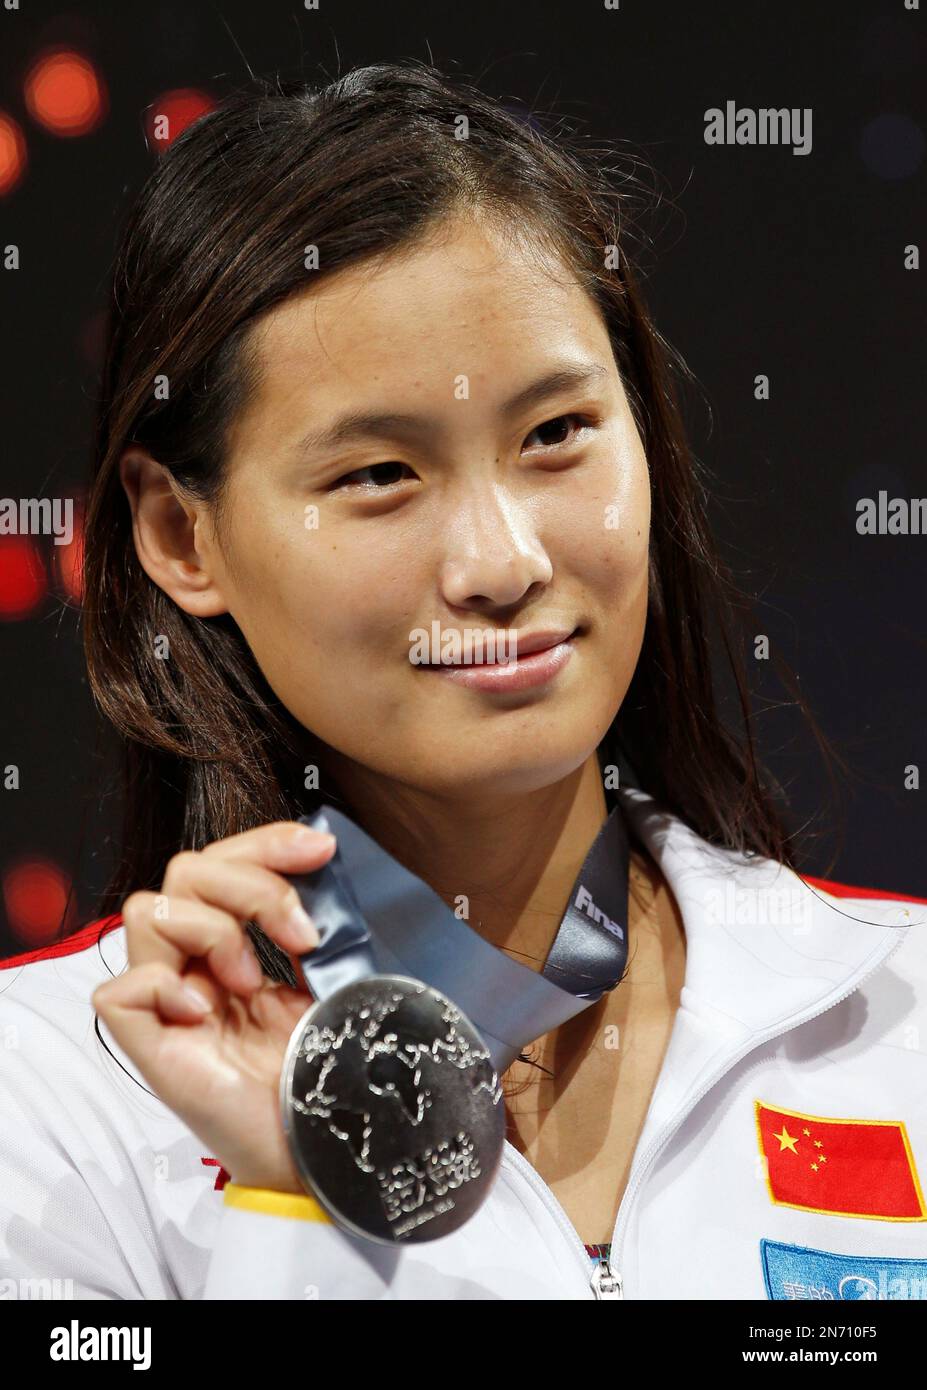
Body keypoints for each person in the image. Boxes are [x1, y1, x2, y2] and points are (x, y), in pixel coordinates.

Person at [1, 60, 925, 1302]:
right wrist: (290, 1194)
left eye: (556, 435)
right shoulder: (48, 1100)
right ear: (181, 535)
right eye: (379, 473)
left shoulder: (896, 1015)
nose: (504, 561)